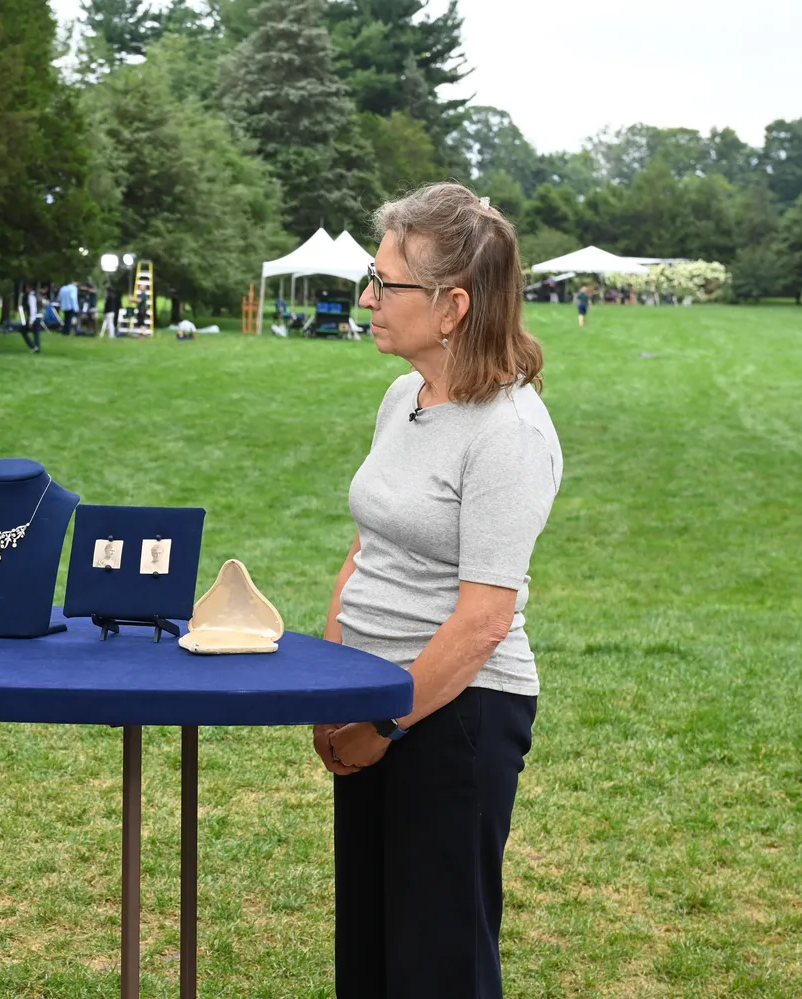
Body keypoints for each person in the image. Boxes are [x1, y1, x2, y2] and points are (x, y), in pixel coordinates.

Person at [317, 183, 561, 999]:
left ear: (453, 305)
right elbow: (366, 550)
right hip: (375, 699)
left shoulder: (509, 433)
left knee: (437, 963)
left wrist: (383, 721)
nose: (368, 299)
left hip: (457, 717)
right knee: (372, 951)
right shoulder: (402, 397)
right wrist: (332, 683)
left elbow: (485, 619)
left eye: (388, 284)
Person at [20, 283, 41, 353]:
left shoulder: (31, 296)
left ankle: (33, 345)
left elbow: (33, 309)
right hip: (39, 316)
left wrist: (31, 321)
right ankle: (37, 348)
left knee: (23, 330)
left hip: (34, 317)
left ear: (29, 288)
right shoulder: (37, 295)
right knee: (36, 333)